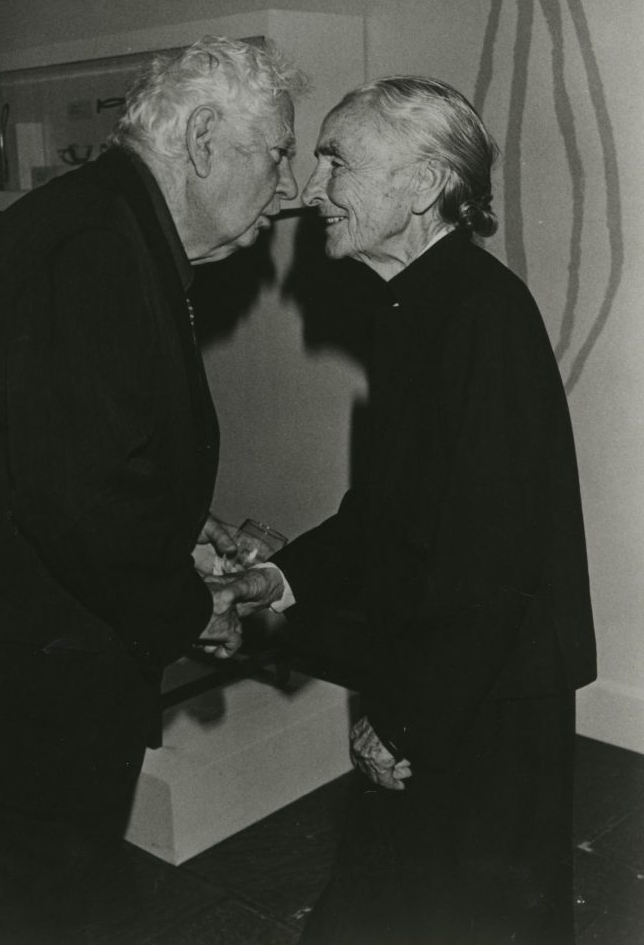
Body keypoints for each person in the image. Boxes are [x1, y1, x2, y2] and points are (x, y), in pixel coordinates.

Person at [0, 36, 304, 944]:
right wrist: (189, 602)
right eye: (277, 155)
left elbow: (94, 447)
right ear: (201, 142)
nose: (292, 187)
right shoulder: (96, 248)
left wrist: (191, 525)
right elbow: (78, 499)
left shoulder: (105, 223)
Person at [219, 76, 596, 944]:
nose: (310, 192)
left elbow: (487, 563)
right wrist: (280, 578)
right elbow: (386, 512)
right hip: (449, 675)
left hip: (486, 696)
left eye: (335, 162)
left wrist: (402, 722)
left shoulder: (478, 320)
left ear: (423, 186)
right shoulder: (418, 306)